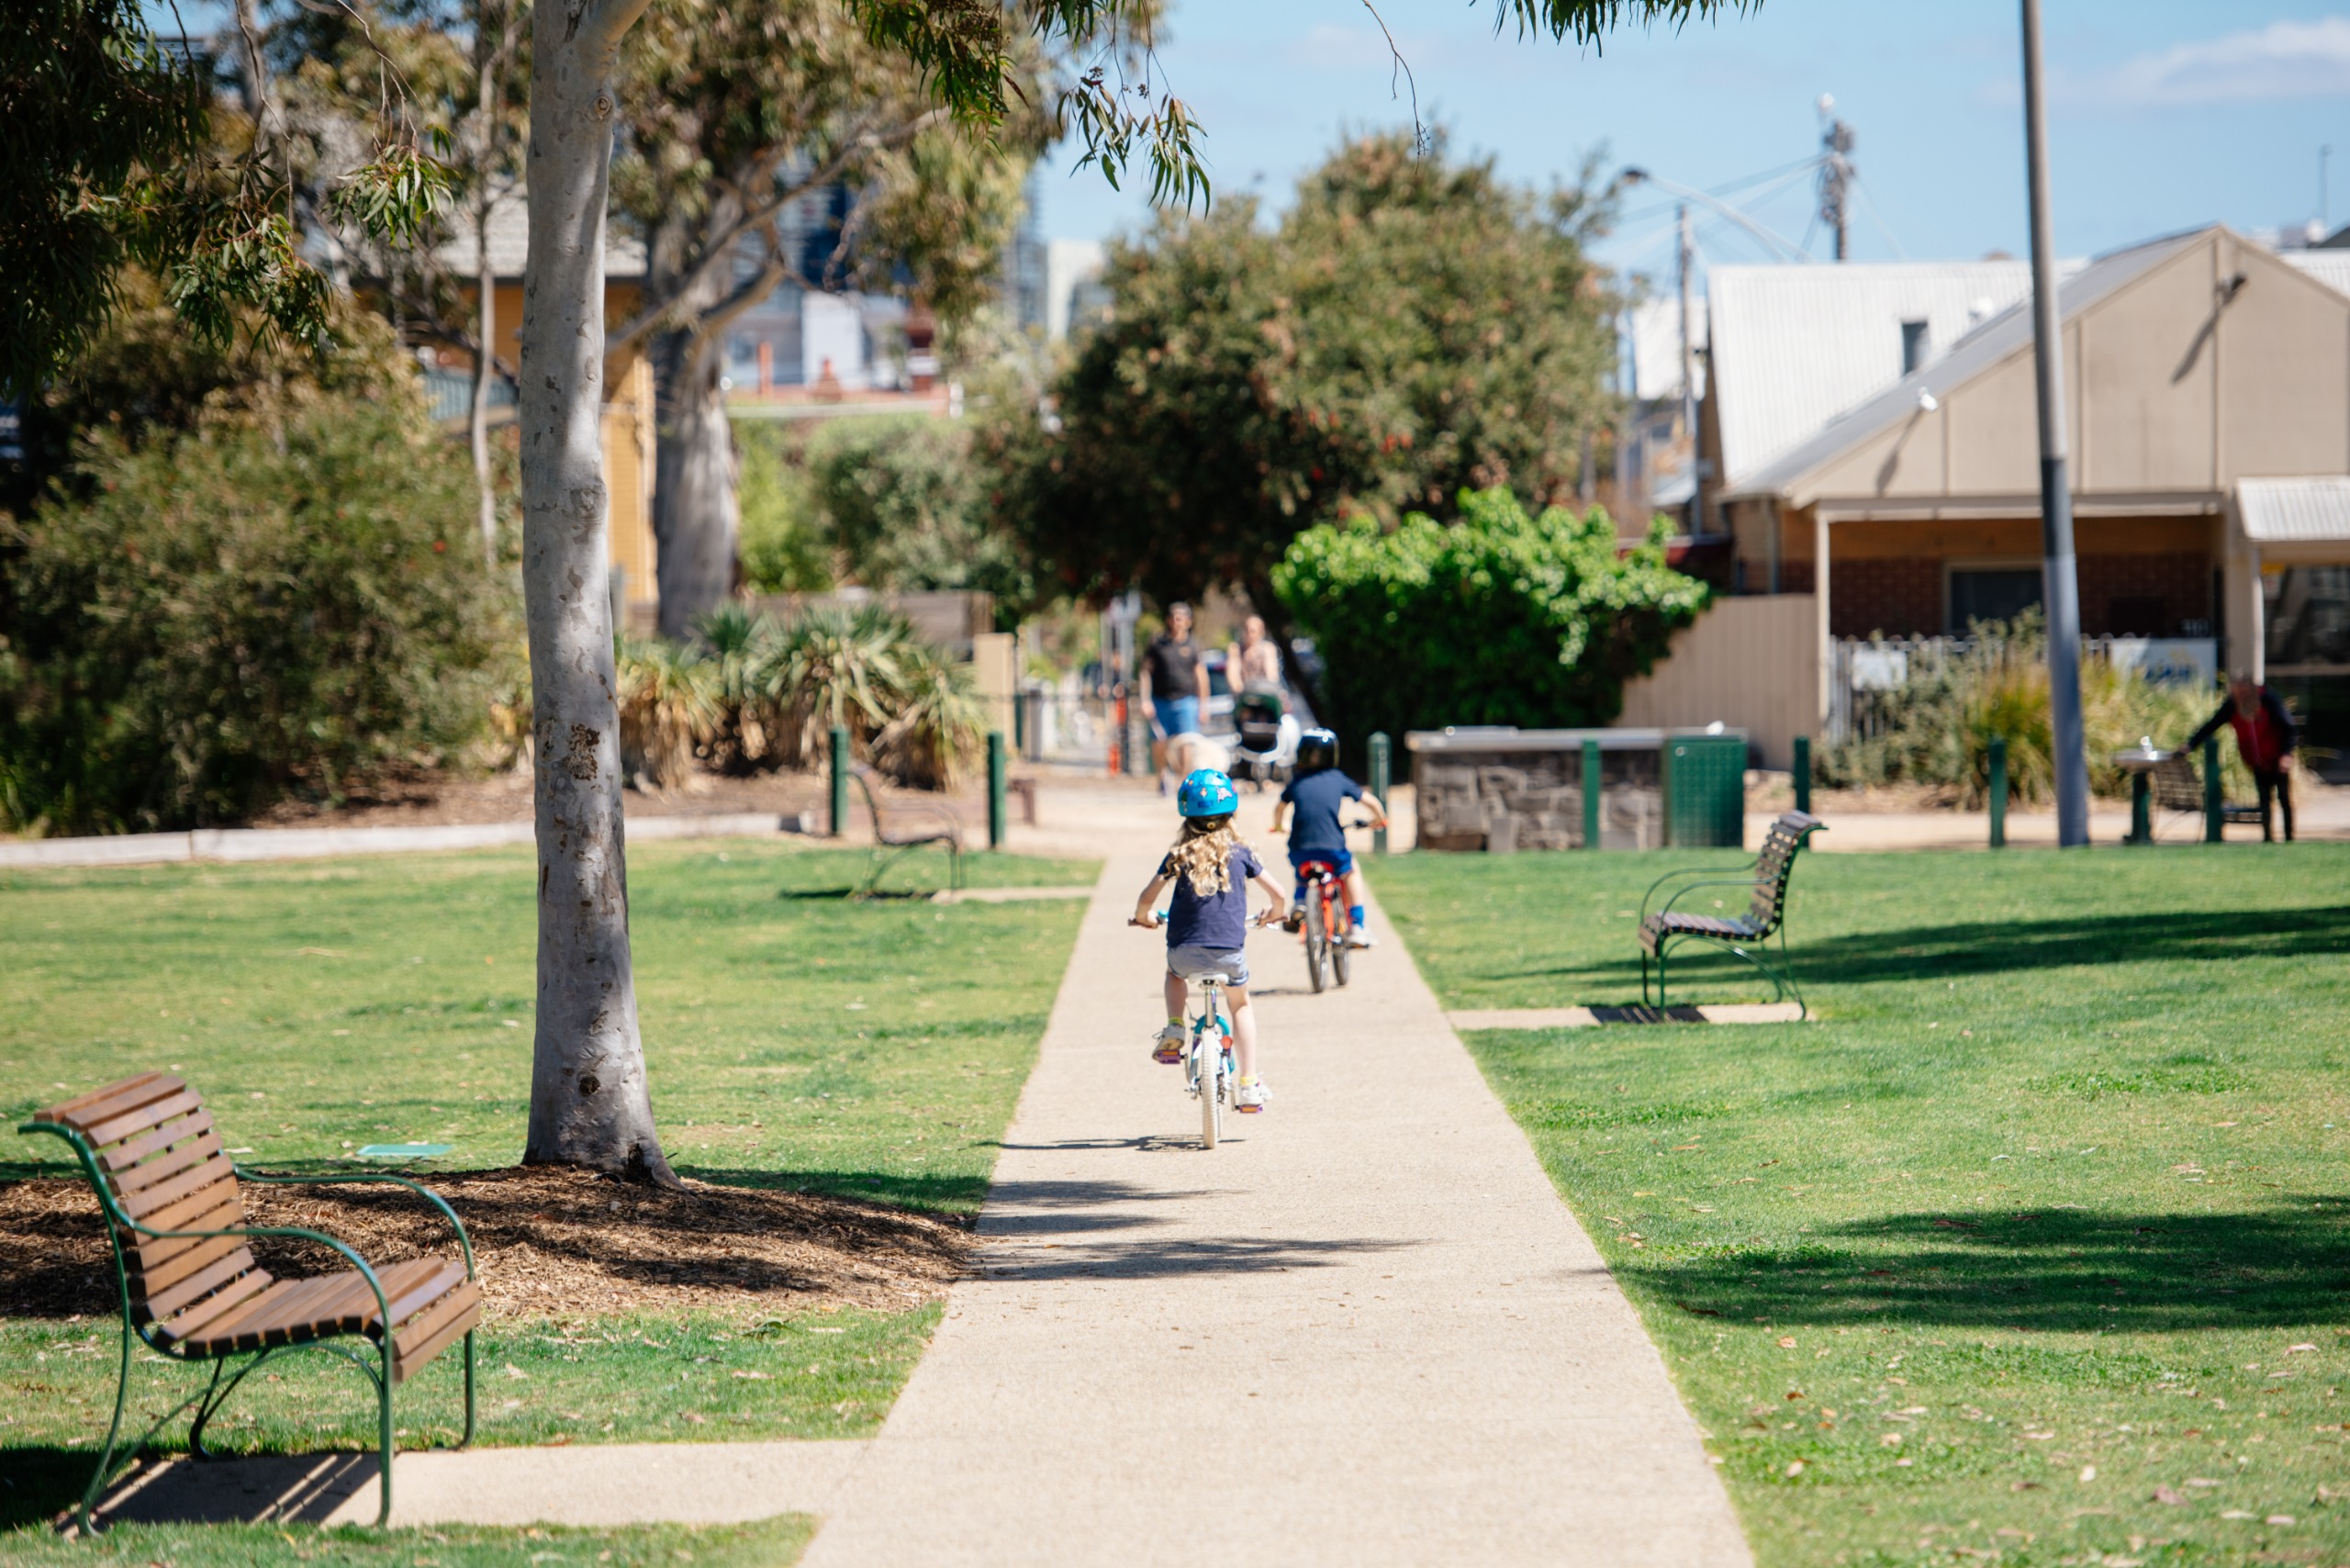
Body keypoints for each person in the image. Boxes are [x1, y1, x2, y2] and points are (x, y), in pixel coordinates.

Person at [1130, 768, 1287, 1113]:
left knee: (1174, 974)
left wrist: (1144, 916)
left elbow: (1147, 897)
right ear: (1230, 814)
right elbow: (1279, 894)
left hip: (1184, 951)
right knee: (1241, 1005)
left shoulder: (1179, 854)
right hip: (1229, 953)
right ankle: (1248, 1084)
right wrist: (1274, 912)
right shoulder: (1241, 853)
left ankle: (1174, 1026)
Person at [1269, 728, 1388, 949]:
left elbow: (1280, 806)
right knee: (1350, 870)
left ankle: (1301, 902)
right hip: (1332, 846)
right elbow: (1370, 801)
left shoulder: (1297, 781)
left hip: (1300, 846)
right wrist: (1379, 819)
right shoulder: (1338, 778)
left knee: (1303, 869)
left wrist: (1279, 825)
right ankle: (1358, 926)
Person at [2183, 673, 2299, 842]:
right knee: (2264, 800)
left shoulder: (2267, 700)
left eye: (2244, 691)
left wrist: (2286, 754)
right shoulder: (2233, 706)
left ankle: (2289, 838)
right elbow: (2211, 725)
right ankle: (2268, 838)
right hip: (2258, 763)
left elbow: (2289, 727)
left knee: (2284, 798)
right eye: (2237, 692)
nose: (2240, 696)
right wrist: (2190, 745)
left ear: (2251, 689)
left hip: (2277, 759)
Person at [1139, 601, 1210, 778]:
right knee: (1160, 741)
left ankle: (1184, 780)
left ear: (1188, 622)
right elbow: (1145, 672)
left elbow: (1201, 677)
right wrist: (1145, 700)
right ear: (1169, 621)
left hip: (1186, 700)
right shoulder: (1157, 644)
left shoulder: (1193, 646)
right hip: (1161, 700)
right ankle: (1162, 777)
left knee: (1187, 742)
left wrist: (1203, 705)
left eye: (1181, 619)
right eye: (1174, 619)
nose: (1177, 622)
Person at [1227, 614, 1282, 690]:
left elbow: (1271, 674)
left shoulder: (1268, 648)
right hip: (1243, 693)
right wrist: (1240, 689)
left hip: (1265, 690)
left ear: (1260, 632)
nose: (1249, 634)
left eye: (1252, 631)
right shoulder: (1236, 649)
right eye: (1246, 630)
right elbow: (1233, 675)